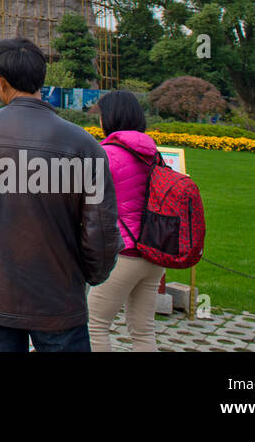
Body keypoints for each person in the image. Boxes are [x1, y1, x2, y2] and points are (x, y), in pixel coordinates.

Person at [0, 37, 119, 352]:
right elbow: (100, 232)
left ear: (0, 81)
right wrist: (85, 276)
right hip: (60, 299)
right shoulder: (84, 145)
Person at [86, 90, 164, 352]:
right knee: (143, 331)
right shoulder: (153, 152)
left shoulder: (106, 153)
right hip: (154, 252)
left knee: (94, 325)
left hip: (124, 252)